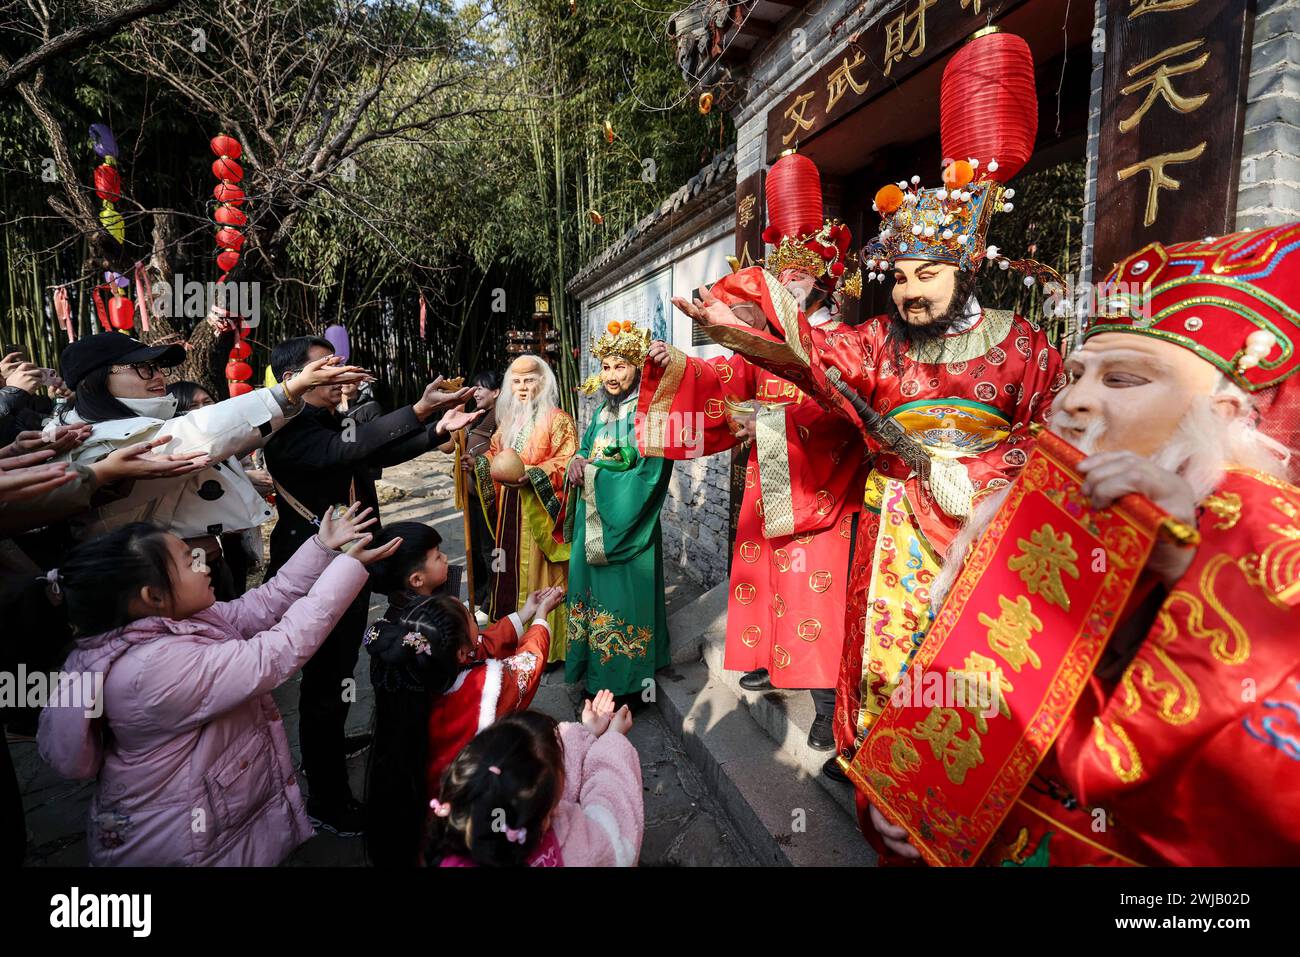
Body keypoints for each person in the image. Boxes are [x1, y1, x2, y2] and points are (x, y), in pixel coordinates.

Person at [864, 222, 1300, 866]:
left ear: (1225, 413)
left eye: (1122, 380)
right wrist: (902, 787)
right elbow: (947, 700)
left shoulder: (1273, 555)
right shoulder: (1019, 526)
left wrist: (1193, 570)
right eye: (1074, 374)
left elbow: (1261, 810)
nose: (1071, 402)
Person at [674, 153, 1065, 783]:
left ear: (965, 269)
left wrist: (980, 473)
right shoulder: (881, 338)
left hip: (982, 527)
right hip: (896, 529)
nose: (910, 291)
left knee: (974, 659)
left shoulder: (1024, 342)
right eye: (902, 276)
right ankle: (881, 764)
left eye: (928, 274)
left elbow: (1049, 430)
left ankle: (974, 777)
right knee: (888, 650)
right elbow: (816, 359)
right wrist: (742, 320)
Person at [640, 153, 868, 748]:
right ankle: (773, 661)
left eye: (802, 274)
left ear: (823, 277)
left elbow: (845, 414)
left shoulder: (843, 342)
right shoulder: (757, 342)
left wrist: (768, 419)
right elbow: (722, 385)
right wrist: (678, 366)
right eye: (782, 274)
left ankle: (826, 705)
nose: (791, 282)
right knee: (764, 583)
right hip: (770, 480)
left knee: (814, 591)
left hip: (821, 488)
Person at [34, 504, 400, 866]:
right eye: (188, 560)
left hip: (206, 815)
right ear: (153, 596)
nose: (204, 562)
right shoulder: (151, 670)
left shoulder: (173, 624)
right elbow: (276, 653)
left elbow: (262, 603)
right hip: (181, 843)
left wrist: (321, 548)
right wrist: (347, 567)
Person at [263, 334, 479, 837]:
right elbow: (356, 445)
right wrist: (420, 407)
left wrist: (433, 431)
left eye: (339, 365)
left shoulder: (328, 419)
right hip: (313, 567)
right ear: (294, 378)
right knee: (322, 684)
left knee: (339, 672)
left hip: (350, 558)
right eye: (326, 367)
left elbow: (369, 457)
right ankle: (327, 798)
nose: (339, 375)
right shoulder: (286, 429)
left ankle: (332, 748)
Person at [46, 332, 362, 590]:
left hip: (203, 568)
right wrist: (290, 389)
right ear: (97, 379)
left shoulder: (151, 423)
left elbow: (230, 436)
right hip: (151, 585)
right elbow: (196, 437)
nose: (159, 376)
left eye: (159, 368)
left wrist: (290, 400)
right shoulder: (89, 438)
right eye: (144, 367)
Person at [565, 322, 673, 699]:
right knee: (594, 597)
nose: (611, 376)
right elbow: (585, 447)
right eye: (606, 367)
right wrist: (578, 461)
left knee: (626, 600)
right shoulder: (600, 413)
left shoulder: (652, 414)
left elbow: (650, 474)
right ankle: (596, 674)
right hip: (592, 521)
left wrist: (596, 475)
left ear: (637, 368)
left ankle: (628, 687)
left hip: (628, 523)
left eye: (620, 366)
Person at [425, 700, 643, 867]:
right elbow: (614, 824)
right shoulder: (573, 848)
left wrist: (586, 733)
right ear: (544, 819)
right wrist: (612, 740)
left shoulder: (447, 841)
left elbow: (530, 782)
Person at [466, 355, 576, 657]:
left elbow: (567, 463)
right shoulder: (508, 423)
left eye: (530, 380)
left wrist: (535, 474)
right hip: (509, 510)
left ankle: (549, 645)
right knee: (508, 570)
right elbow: (495, 454)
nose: (523, 386)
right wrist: (480, 465)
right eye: (517, 380)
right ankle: (514, 635)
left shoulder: (558, 419)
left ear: (543, 382)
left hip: (538, 514)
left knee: (540, 574)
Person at [167, 380, 274, 597]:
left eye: (207, 402)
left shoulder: (229, 445)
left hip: (232, 541)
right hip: (195, 552)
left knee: (234, 592)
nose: (203, 410)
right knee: (203, 596)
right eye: (192, 406)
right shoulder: (172, 453)